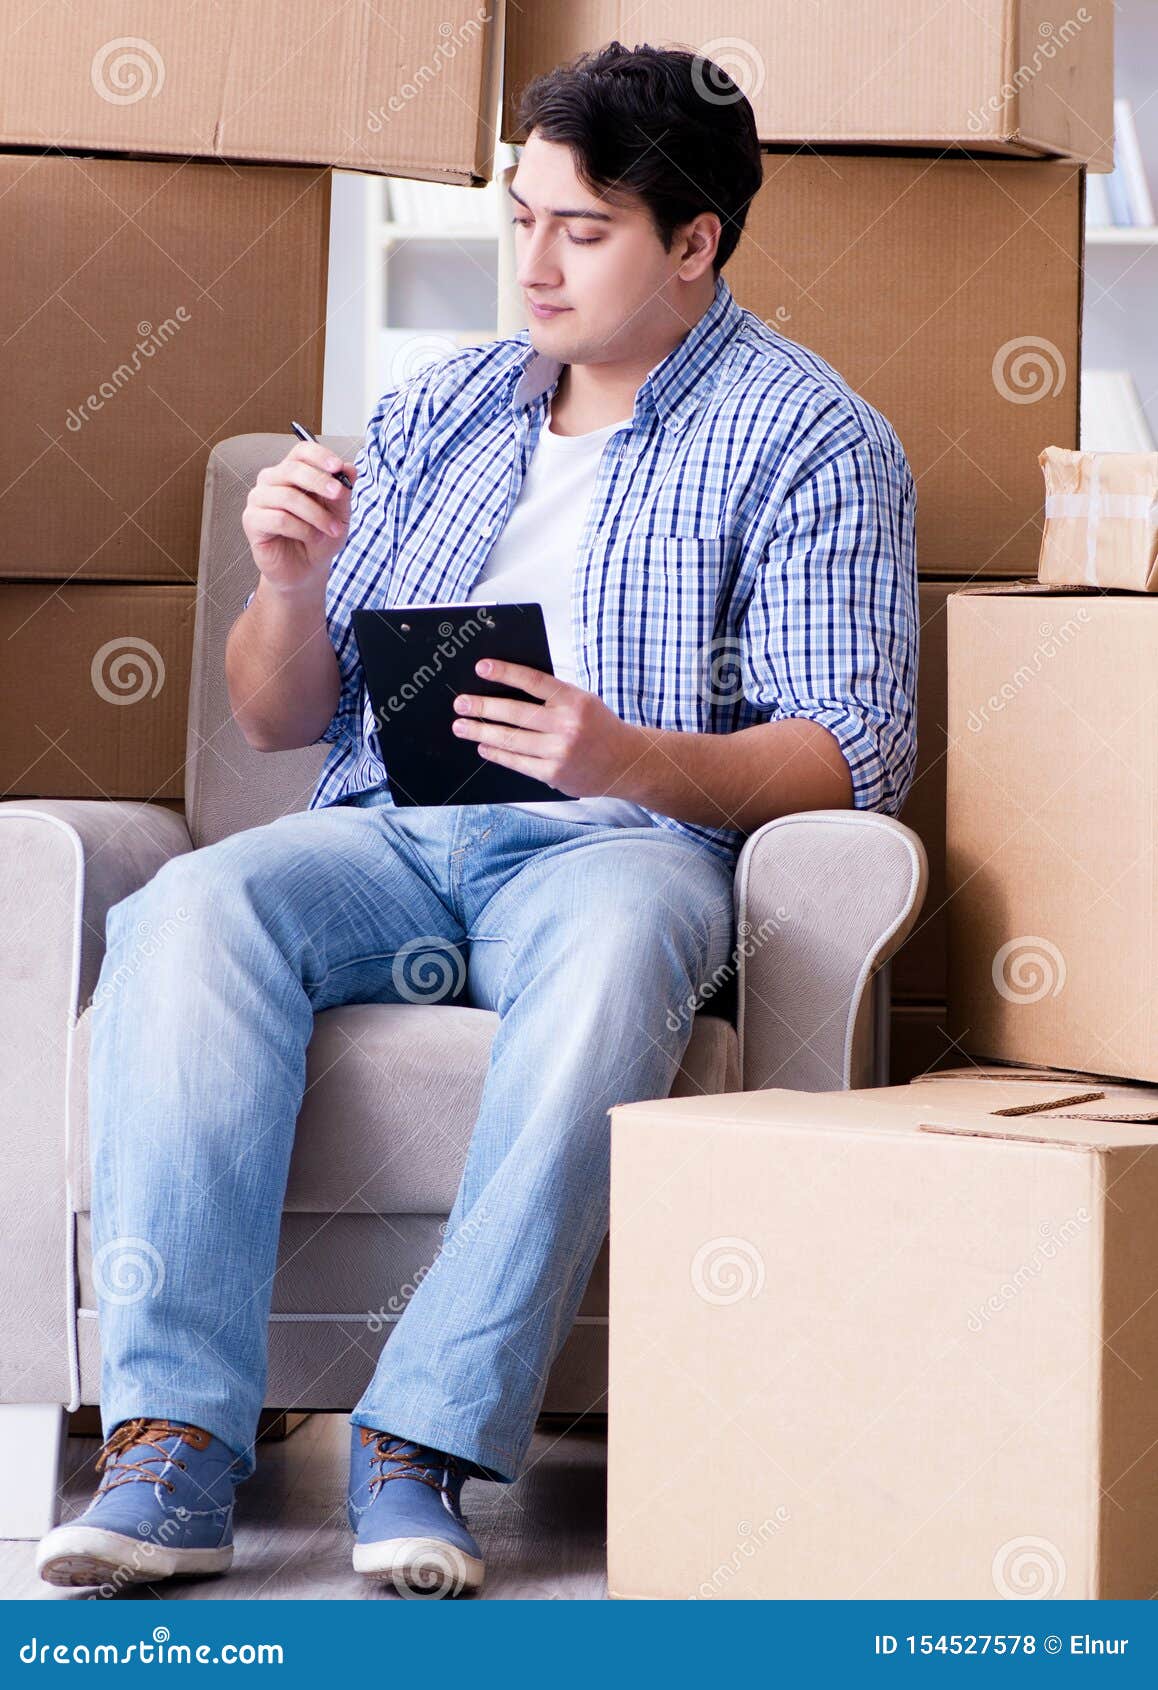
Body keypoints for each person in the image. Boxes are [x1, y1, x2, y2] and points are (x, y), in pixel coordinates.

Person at [36, 41, 918, 1599]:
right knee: (186, 906)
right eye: (518, 218)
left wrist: (627, 754)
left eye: (581, 230)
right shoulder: (442, 405)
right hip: (391, 829)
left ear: (694, 238)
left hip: (617, 851)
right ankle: (171, 1440)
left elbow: (851, 752)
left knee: (608, 959)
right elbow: (275, 716)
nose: (532, 262)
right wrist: (290, 584)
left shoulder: (812, 438)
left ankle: (420, 1439)